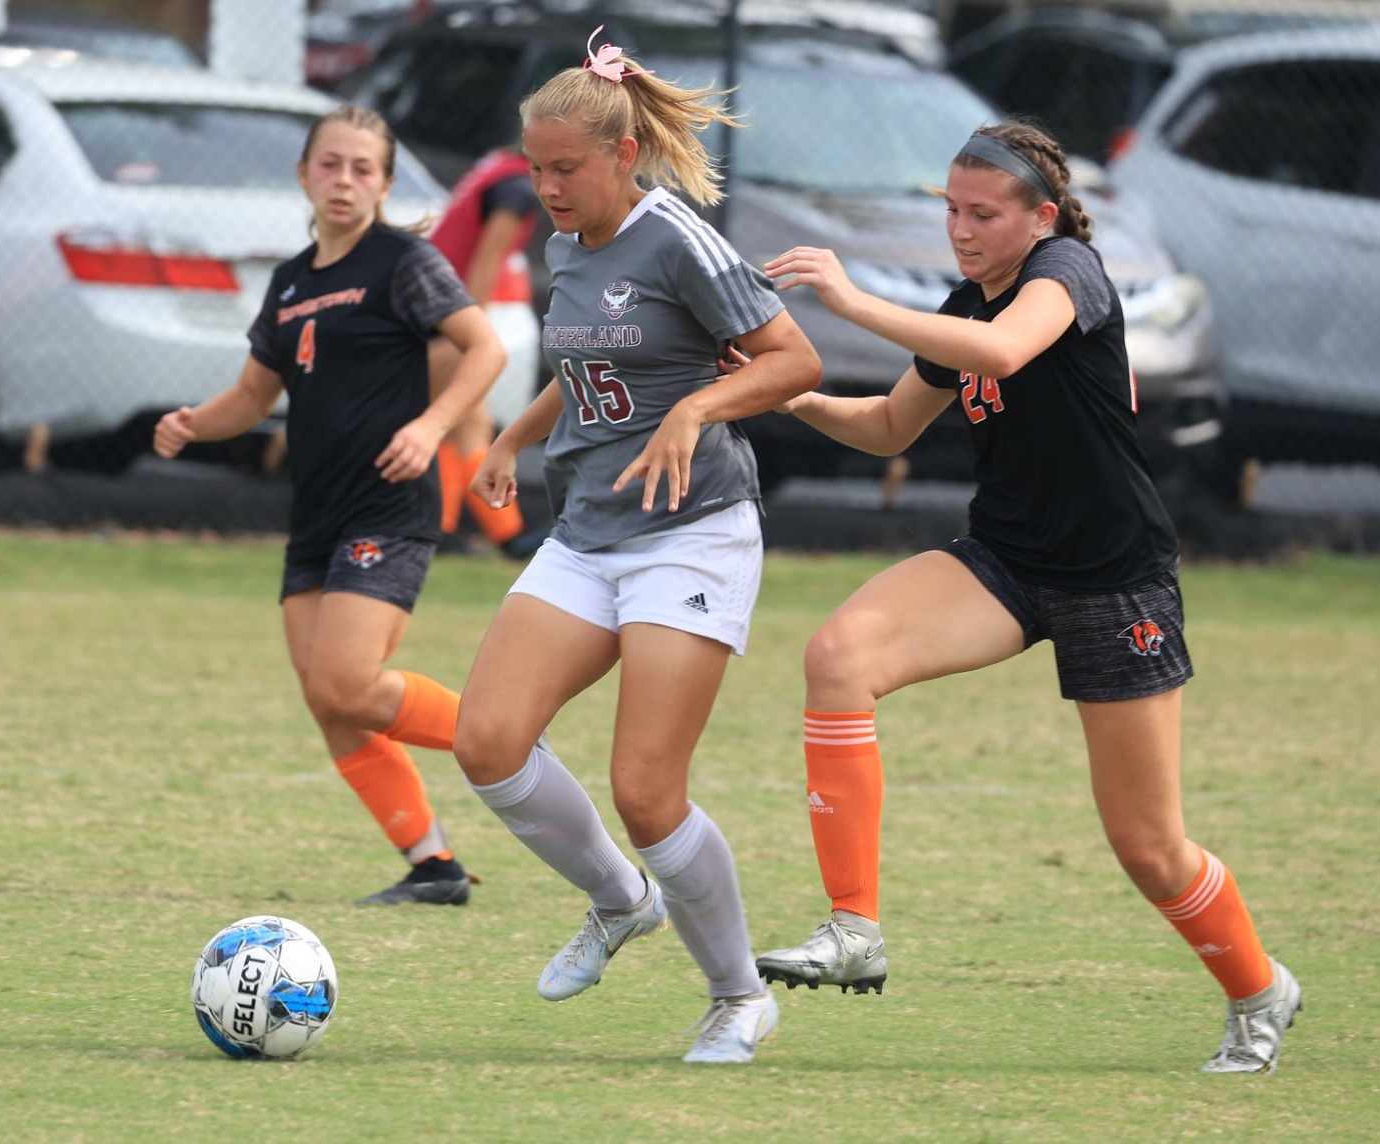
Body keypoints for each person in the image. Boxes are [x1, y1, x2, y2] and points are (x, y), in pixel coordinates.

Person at [748, 122, 1301, 1073]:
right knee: (838, 656)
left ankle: (1258, 991)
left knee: (1147, 845)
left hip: (1112, 578)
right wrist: (785, 398)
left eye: (982, 214)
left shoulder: (1067, 273)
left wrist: (848, 297)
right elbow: (887, 428)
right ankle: (854, 929)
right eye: (951, 211)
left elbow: (1002, 352)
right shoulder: (966, 304)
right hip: (1003, 562)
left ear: (1039, 216)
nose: (961, 230)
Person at [450, 28, 823, 1064]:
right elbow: (586, 366)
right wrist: (514, 441)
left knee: (647, 787)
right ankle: (620, 900)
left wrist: (697, 409)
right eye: (535, 168)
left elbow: (793, 359)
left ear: (622, 156)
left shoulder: (679, 238)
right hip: (590, 528)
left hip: (693, 536)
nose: (547, 188)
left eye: (565, 168)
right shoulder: (564, 247)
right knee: (486, 741)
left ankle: (739, 994)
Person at [153, 105, 506, 907]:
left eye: (361, 169)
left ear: (382, 184)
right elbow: (253, 394)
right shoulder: (289, 281)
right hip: (315, 518)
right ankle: (433, 866)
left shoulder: (402, 262)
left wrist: (430, 427)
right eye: (330, 165)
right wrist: (192, 424)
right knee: (328, 699)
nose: (344, 180)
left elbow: (485, 347)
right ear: (304, 175)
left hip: (388, 507)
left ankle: (502, 732)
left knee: (347, 683)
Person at [426, 146, 550, 560]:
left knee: (454, 420)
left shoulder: (496, 165)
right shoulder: (517, 189)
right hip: (441, 315)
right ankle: (508, 537)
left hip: (428, 308)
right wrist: (469, 334)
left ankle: (440, 530)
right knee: (471, 423)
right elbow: (485, 261)